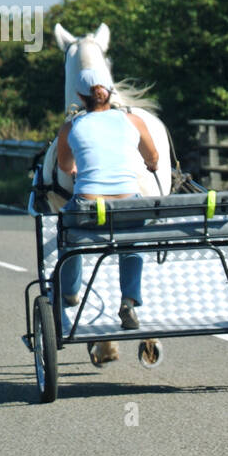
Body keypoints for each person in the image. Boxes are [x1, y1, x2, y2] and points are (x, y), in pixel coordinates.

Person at [56, 65, 160, 331]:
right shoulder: (133, 121)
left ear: (80, 98)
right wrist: (151, 165)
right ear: (111, 92)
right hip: (128, 208)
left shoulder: (70, 127)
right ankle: (128, 300)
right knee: (132, 239)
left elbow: (66, 167)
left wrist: (77, 168)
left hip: (89, 209)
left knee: (66, 232)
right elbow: (153, 158)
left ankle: (69, 291)